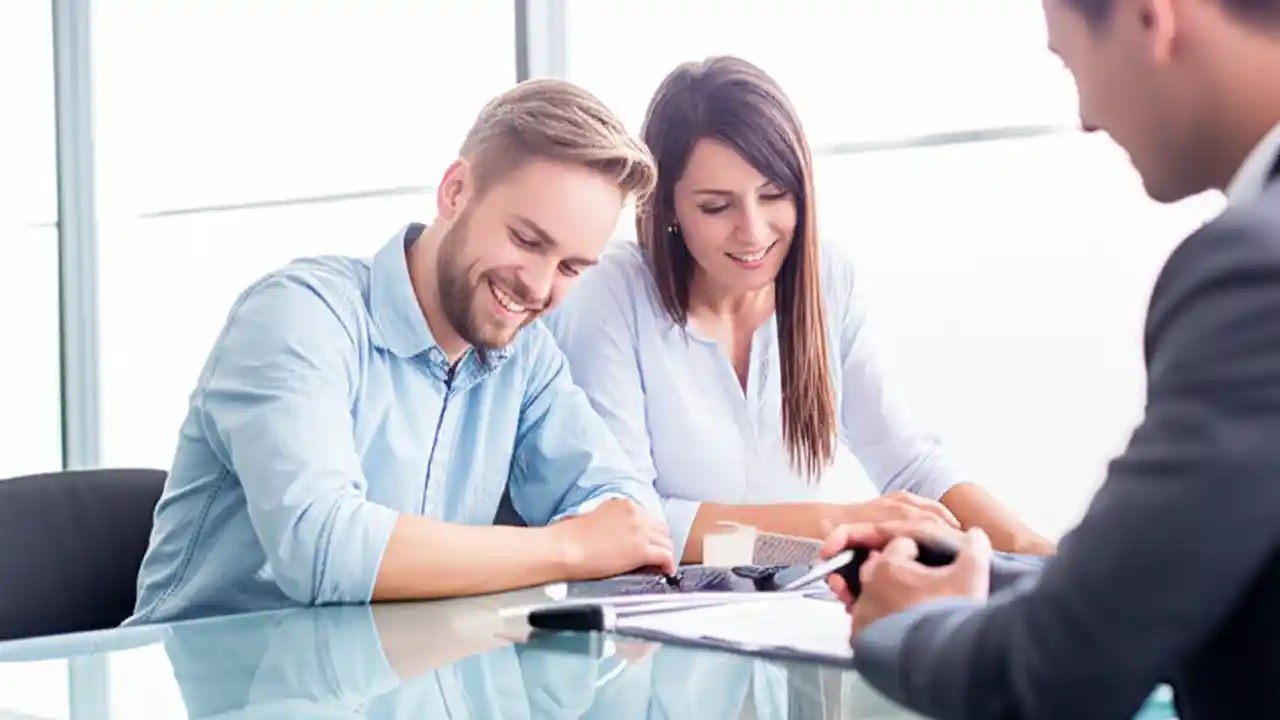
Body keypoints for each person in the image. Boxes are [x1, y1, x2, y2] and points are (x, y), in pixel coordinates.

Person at [822, 1, 1280, 717]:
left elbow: (1057, 673)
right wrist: (982, 568)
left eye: (1071, 64)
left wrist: (901, 626)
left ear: (1150, 18)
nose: (1086, 117)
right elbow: (1189, 566)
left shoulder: (1255, 268)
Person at [126, 78, 677, 626]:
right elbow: (322, 549)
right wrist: (570, 548)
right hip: (214, 693)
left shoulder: (527, 359)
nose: (538, 286)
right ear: (455, 191)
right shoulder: (300, 315)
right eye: (527, 241)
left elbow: (630, 515)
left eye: (570, 268)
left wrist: (601, 536)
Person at [542, 55, 1053, 563]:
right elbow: (634, 521)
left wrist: (1037, 554)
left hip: (784, 600)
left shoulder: (828, 278)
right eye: (716, 206)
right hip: (654, 613)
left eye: (774, 195)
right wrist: (838, 520)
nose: (754, 230)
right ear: (669, 208)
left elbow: (912, 465)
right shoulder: (611, 293)